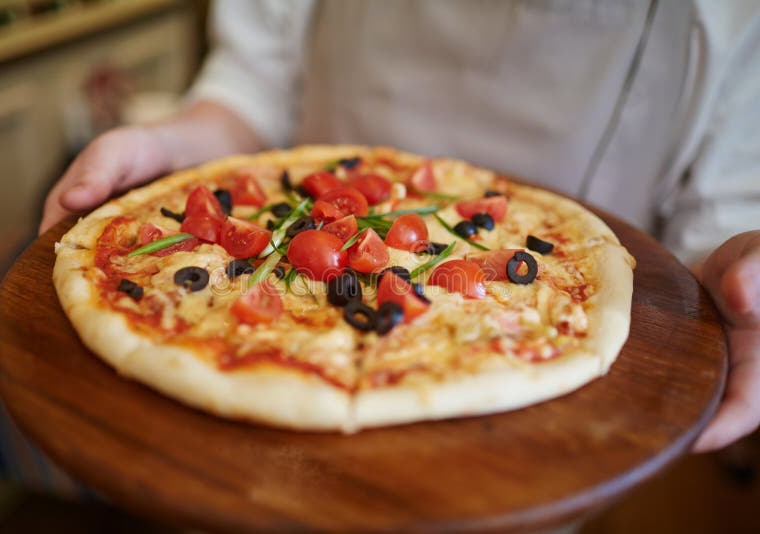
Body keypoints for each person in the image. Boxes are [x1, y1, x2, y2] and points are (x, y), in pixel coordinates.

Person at [40, 1, 759, 452]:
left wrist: (742, 271)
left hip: (538, 430)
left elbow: (722, 226)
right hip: (241, 435)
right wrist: (172, 147)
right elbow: (247, 91)